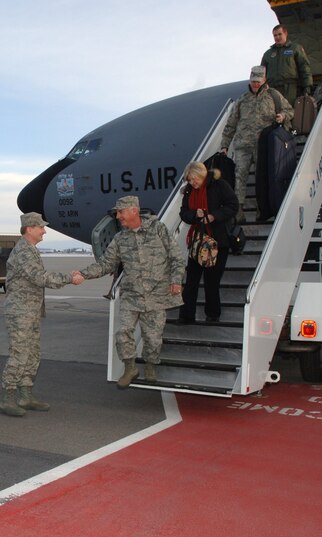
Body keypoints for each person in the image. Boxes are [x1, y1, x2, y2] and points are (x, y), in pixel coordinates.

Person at [73, 196, 184, 387]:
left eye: (120, 212)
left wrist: (176, 280)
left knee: (153, 338)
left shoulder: (158, 229)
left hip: (156, 295)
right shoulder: (120, 238)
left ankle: (150, 365)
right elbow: (106, 264)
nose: (118, 216)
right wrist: (83, 274)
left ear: (133, 211)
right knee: (123, 332)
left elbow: (176, 257)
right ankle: (130, 367)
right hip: (131, 295)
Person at [0, 212, 83, 417]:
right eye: (41, 227)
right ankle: (7, 399)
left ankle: (25, 396)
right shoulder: (24, 252)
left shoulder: (31, 250)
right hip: (20, 312)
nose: (44, 230)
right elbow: (39, 277)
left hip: (30, 312)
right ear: (29, 229)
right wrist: (69, 279)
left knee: (32, 353)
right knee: (19, 354)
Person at [220, 66, 293, 223]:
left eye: (258, 82)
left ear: (264, 80)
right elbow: (231, 124)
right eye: (253, 81)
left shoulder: (273, 96)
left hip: (264, 145)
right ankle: (238, 210)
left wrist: (283, 116)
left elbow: (290, 110)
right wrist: (225, 145)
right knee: (240, 176)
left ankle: (263, 209)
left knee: (263, 177)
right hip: (243, 144)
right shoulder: (242, 100)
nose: (255, 84)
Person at [177, 162, 238, 325]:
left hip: (217, 241)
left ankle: (212, 314)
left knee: (212, 281)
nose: (192, 183)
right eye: (189, 180)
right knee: (191, 280)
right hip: (198, 241)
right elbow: (183, 213)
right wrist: (194, 215)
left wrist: (214, 216)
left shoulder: (219, 185)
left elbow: (233, 205)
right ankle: (186, 315)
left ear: (201, 174)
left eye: (194, 179)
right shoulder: (189, 191)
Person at [260, 23, 313, 104]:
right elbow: (261, 74)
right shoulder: (268, 54)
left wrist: (307, 87)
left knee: (289, 113)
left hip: (291, 89)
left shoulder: (295, 49)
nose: (277, 37)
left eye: (279, 34)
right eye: (275, 35)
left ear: (285, 33)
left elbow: (305, 68)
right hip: (272, 89)